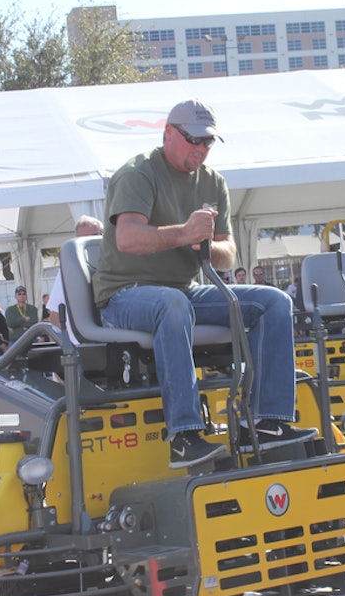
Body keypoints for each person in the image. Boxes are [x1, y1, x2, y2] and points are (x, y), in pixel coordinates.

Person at [92, 98, 315, 468]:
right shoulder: (138, 174)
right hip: (124, 295)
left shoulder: (213, 182)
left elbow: (228, 254)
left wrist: (206, 243)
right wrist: (184, 233)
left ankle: (263, 422)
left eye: (208, 142)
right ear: (167, 133)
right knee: (172, 304)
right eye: (193, 139)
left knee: (275, 302)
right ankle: (183, 435)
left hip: (181, 292)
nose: (200, 148)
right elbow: (127, 239)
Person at [46, 216, 104, 343]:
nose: (89, 243)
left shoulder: (115, 262)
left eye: (94, 237)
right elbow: (55, 315)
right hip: (84, 346)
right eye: (84, 239)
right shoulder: (69, 270)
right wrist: (69, 347)